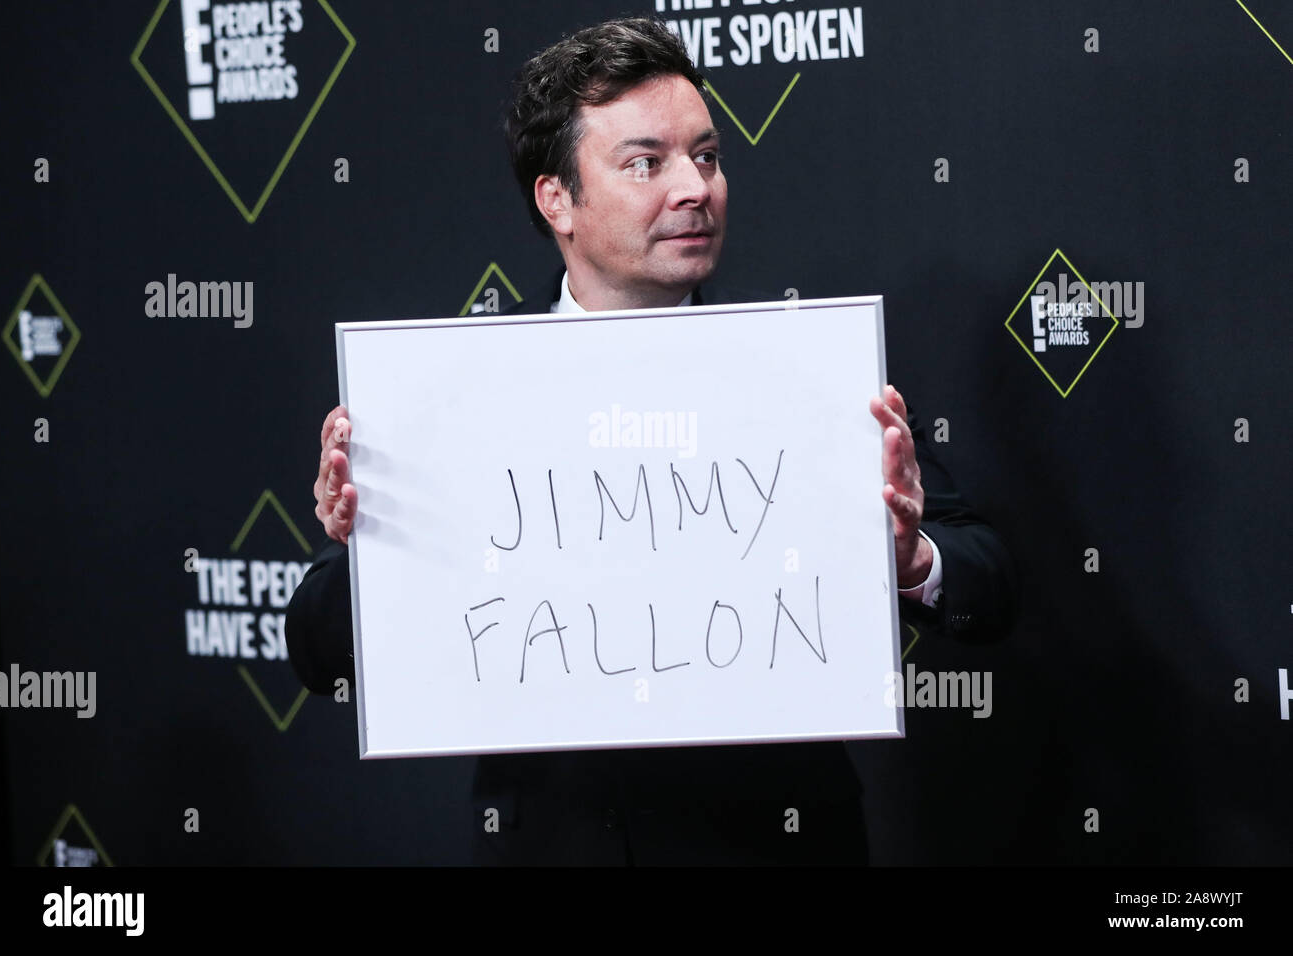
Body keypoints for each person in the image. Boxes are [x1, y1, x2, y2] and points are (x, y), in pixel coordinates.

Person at [286, 16, 1016, 865]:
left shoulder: (808, 374)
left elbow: (989, 588)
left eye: (706, 156)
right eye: (646, 163)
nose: (695, 187)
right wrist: (369, 549)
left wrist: (909, 561)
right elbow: (318, 652)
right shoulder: (462, 392)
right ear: (556, 198)